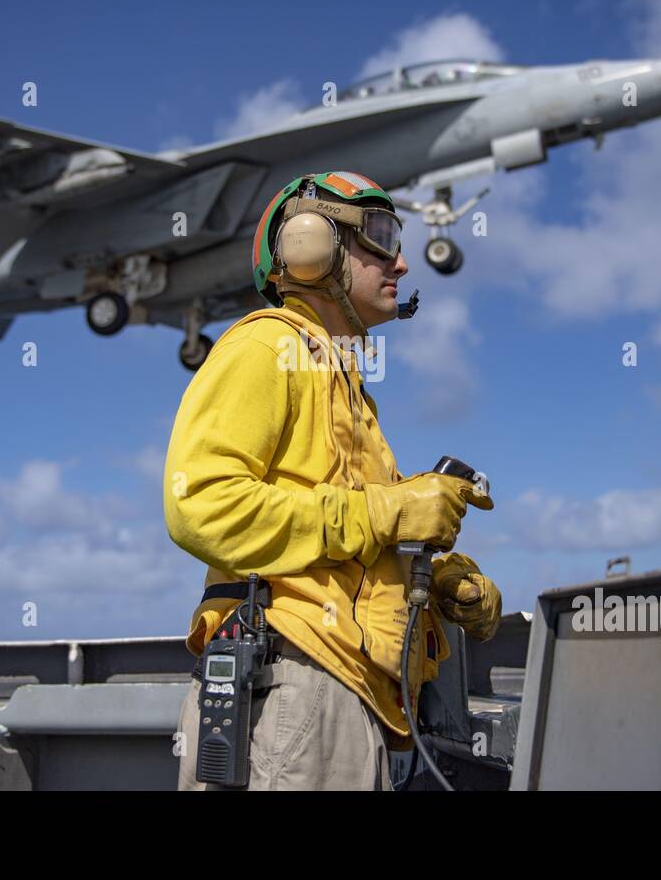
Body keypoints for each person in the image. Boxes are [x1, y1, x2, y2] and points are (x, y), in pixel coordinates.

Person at [164, 170, 501, 790]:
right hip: (295, 681)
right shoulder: (265, 346)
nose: (400, 261)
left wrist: (445, 577)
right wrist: (388, 513)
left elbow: (361, 533)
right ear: (310, 246)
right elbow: (201, 504)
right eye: (379, 236)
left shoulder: (343, 385)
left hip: (343, 695)